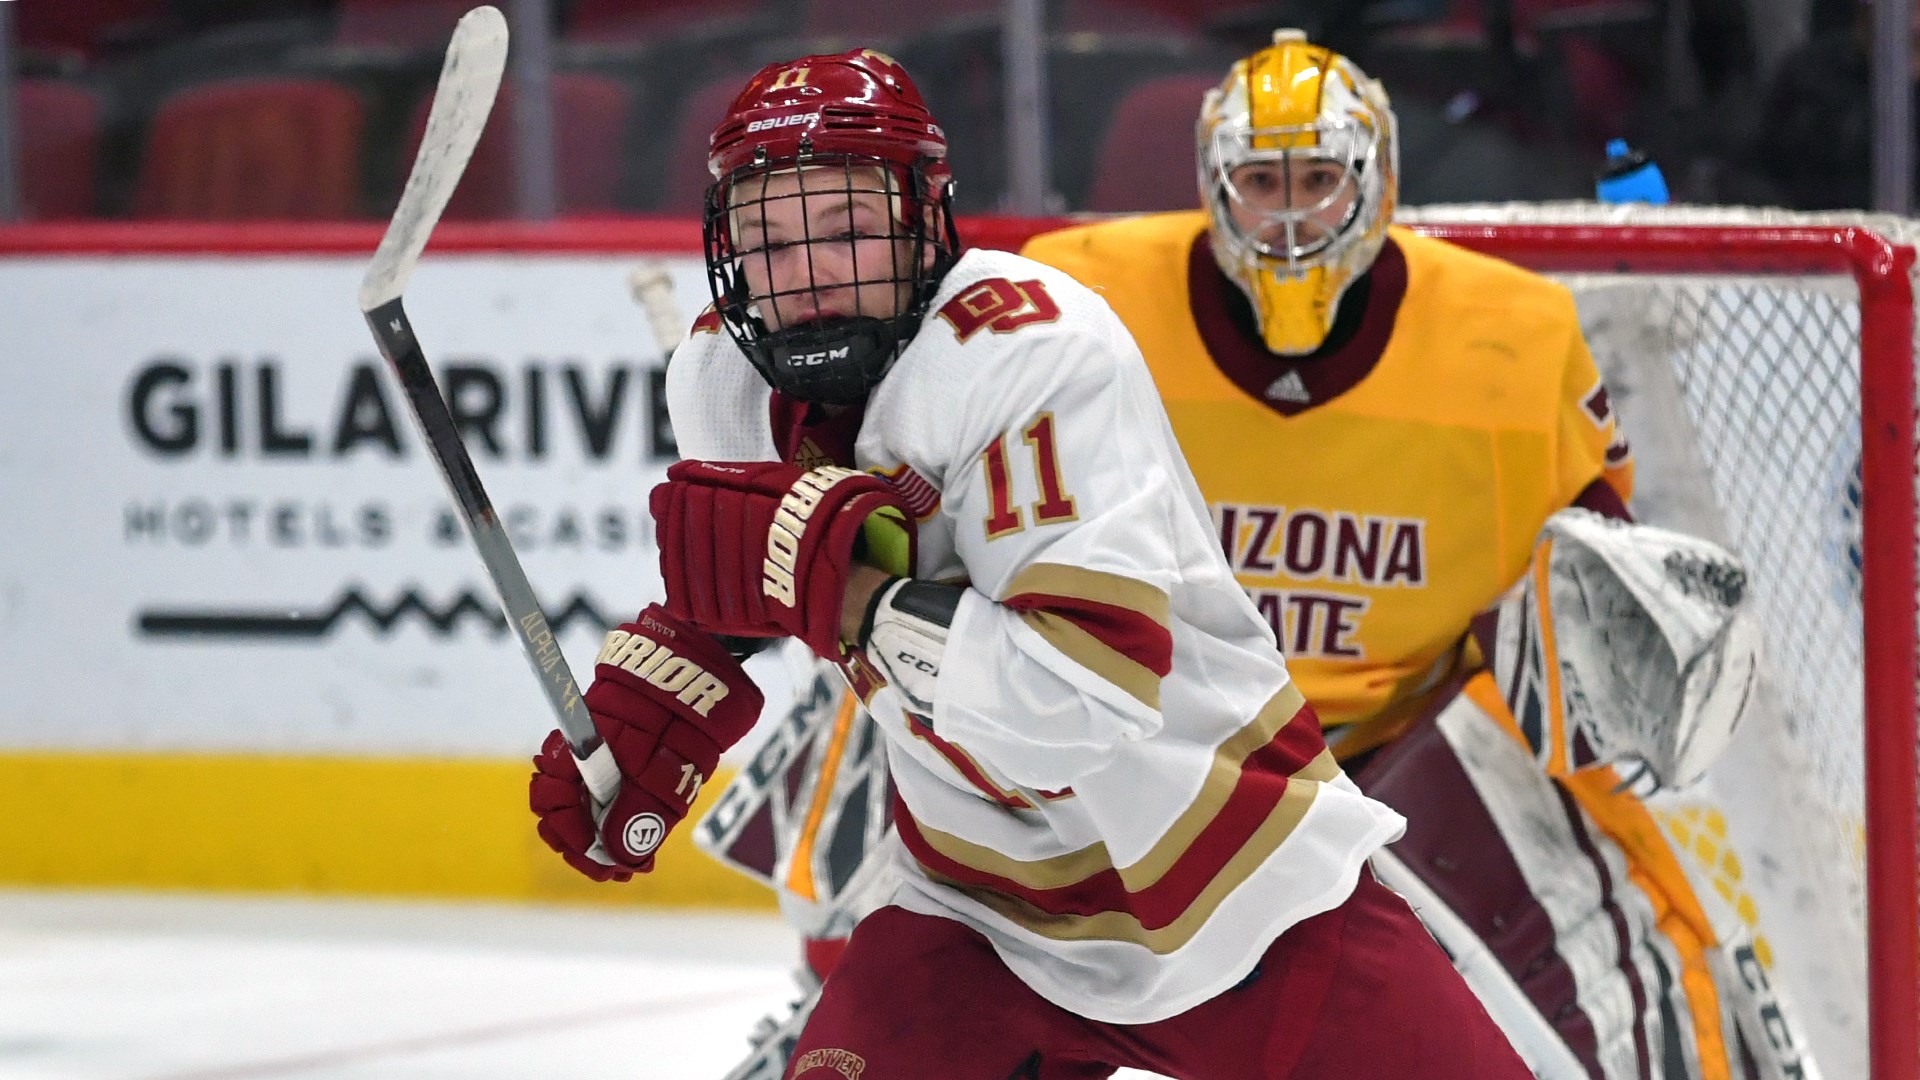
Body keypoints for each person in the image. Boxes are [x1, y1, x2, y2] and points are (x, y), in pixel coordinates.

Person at [696, 30, 1816, 1080]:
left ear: (1374, 181)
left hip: (1352, 775)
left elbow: (1582, 578)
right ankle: (831, 984)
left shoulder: (1509, 336)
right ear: (1210, 181)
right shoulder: (1081, 298)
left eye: (1315, 180)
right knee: (882, 682)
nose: (1285, 216)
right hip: (1046, 808)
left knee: (1621, 973)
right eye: (1259, 182)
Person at [528, 47, 1533, 1080]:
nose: (807, 271)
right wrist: (647, 722)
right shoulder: (720, 375)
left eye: (846, 228)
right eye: (768, 239)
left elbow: (1082, 703)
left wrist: (855, 595)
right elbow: (740, 587)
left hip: (1238, 893)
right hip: (978, 915)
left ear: (923, 222)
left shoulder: (1028, 351)